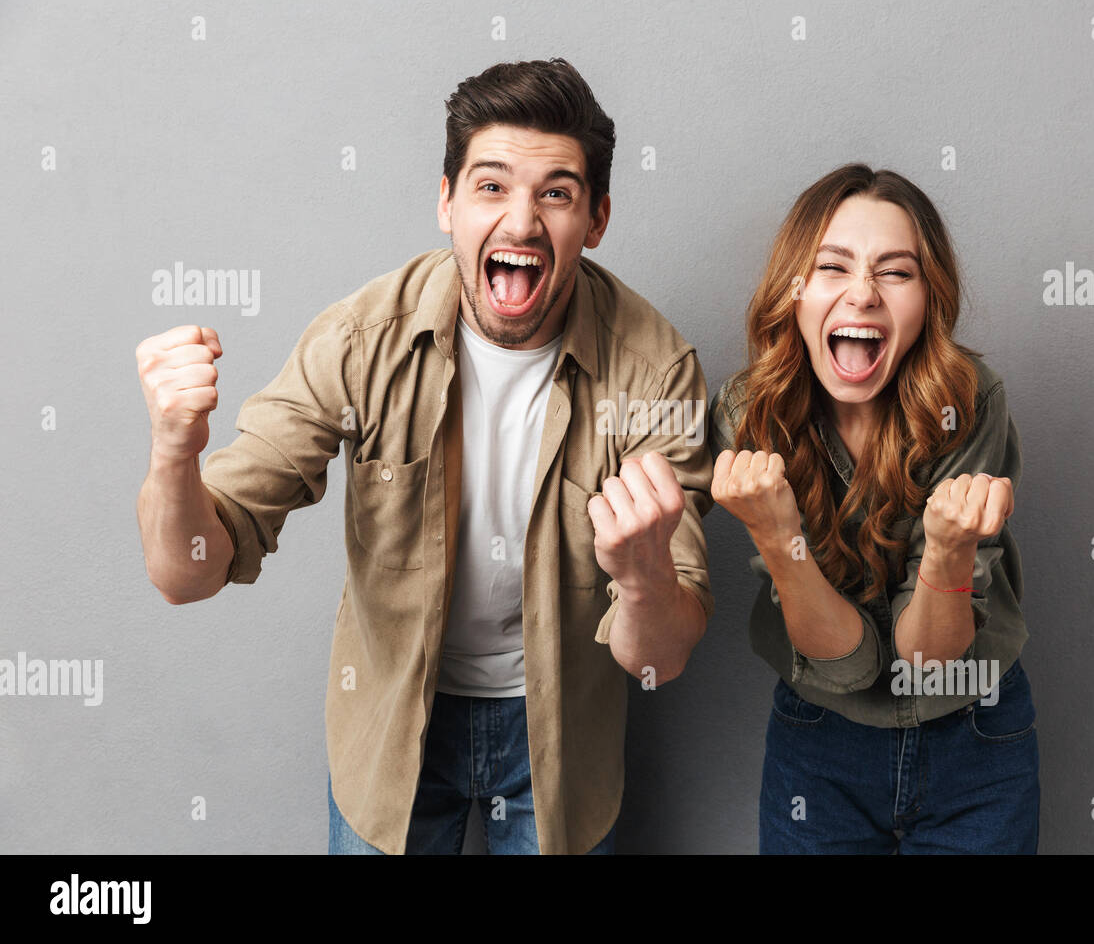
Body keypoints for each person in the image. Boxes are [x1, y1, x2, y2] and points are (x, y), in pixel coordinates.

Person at [135, 58, 715, 855]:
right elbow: (185, 573)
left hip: (561, 739)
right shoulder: (358, 343)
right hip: (392, 721)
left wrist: (645, 575)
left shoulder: (656, 371)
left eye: (556, 192)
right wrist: (175, 453)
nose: (520, 222)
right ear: (446, 202)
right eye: (491, 186)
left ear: (598, 217)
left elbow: (663, 658)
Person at [708, 163, 1039, 853]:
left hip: (975, 735)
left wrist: (948, 553)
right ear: (794, 292)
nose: (862, 294)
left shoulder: (971, 401)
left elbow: (927, 662)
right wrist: (777, 537)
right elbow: (850, 664)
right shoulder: (749, 416)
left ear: (928, 299)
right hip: (818, 742)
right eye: (832, 267)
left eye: (895, 272)